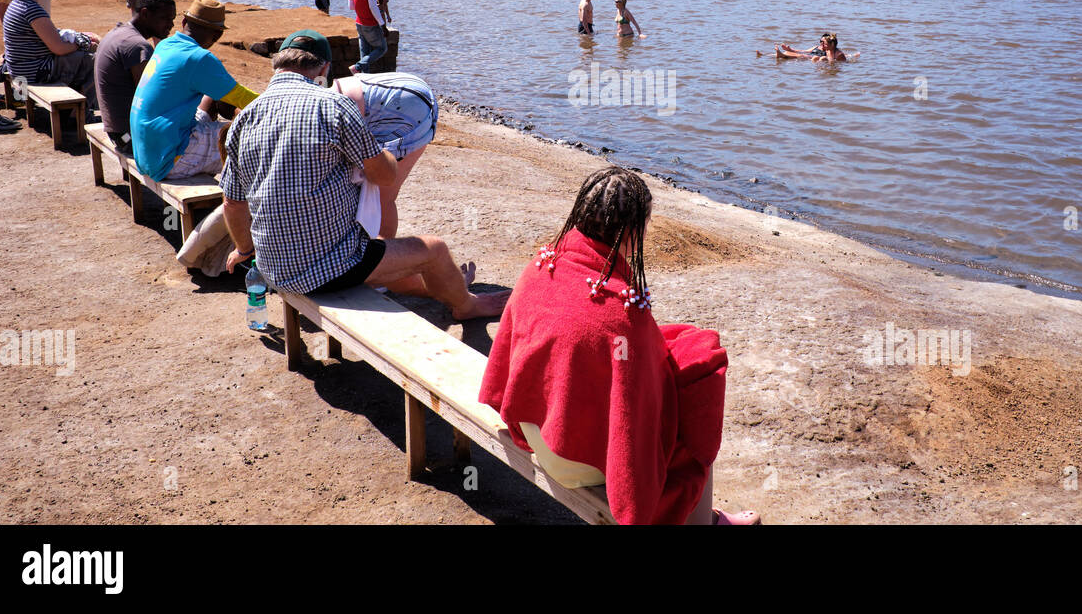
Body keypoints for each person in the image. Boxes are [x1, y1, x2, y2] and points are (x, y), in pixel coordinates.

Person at [479, 167, 760, 525]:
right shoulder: (623, 314)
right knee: (695, 410)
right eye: (644, 226)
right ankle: (707, 522)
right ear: (631, 231)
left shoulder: (542, 265)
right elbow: (645, 408)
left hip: (533, 426)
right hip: (574, 461)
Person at [219, 30, 508, 320]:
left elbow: (232, 203)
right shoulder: (334, 106)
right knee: (434, 250)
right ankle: (467, 306)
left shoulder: (246, 117)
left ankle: (449, 287)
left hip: (273, 270)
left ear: (278, 65)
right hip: (329, 268)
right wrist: (386, 148)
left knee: (386, 255)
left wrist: (243, 249)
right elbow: (384, 176)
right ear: (324, 70)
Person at [129, 0, 259, 181]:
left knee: (213, 99)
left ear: (184, 22)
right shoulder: (199, 58)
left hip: (147, 151)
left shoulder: (165, 45)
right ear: (217, 35)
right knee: (250, 139)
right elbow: (241, 97)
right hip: (170, 159)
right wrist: (282, 103)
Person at [330, 71, 437, 240]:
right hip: (403, 89)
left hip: (399, 105)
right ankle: (381, 246)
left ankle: (384, 249)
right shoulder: (315, 94)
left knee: (382, 197)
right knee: (383, 195)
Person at [0, 0, 100, 112]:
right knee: (95, 61)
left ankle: (72, 108)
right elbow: (59, 49)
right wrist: (81, 44)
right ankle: (79, 114)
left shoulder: (16, 4)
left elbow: (47, 34)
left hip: (20, 69)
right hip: (33, 72)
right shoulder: (32, 9)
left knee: (83, 56)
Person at [94, 0, 176, 148]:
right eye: (165, 18)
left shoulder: (118, 32)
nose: (171, 25)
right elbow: (152, 99)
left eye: (172, 19)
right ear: (145, 14)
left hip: (117, 131)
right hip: (128, 136)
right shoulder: (138, 47)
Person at [347, 0, 388, 73]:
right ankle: (357, 67)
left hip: (359, 22)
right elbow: (373, 6)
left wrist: (362, 7)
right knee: (382, 48)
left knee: (364, 52)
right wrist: (383, 25)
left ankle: (363, 76)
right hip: (370, 23)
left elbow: (351, 6)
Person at [772, 33, 855, 63]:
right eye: (821, 42)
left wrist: (826, 61)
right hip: (813, 59)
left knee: (804, 56)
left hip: (814, 60)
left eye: (825, 43)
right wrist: (790, 50)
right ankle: (779, 54)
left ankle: (782, 55)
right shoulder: (827, 49)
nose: (823, 45)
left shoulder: (839, 54)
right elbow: (805, 51)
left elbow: (842, 64)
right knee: (790, 53)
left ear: (832, 45)